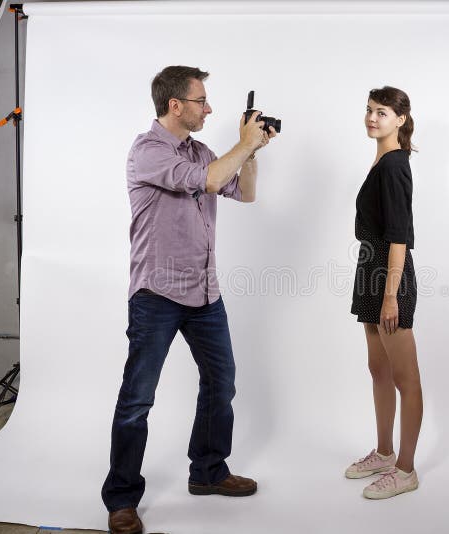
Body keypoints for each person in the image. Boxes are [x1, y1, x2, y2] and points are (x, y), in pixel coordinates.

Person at [101, 66, 277, 534]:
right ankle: (121, 498)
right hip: (156, 293)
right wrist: (243, 145)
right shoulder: (147, 151)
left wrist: (254, 150)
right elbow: (212, 181)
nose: (210, 108)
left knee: (222, 383)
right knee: (138, 399)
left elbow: (245, 191)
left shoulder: (201, 151)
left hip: (203, 291)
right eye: (202, 100)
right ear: (175, 105)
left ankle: (208, 471)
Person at [347, 86, 422, 499]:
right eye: (369, 110)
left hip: (389, 275)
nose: (372, 118)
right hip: (369, 269)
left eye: (382, 112)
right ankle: (384, 452)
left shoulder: (394, 164)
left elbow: (399, 236)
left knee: (405, 378)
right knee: (379, 370)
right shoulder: (382, 159)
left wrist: (390, 295)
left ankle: (406, 470)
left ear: (401, 119)